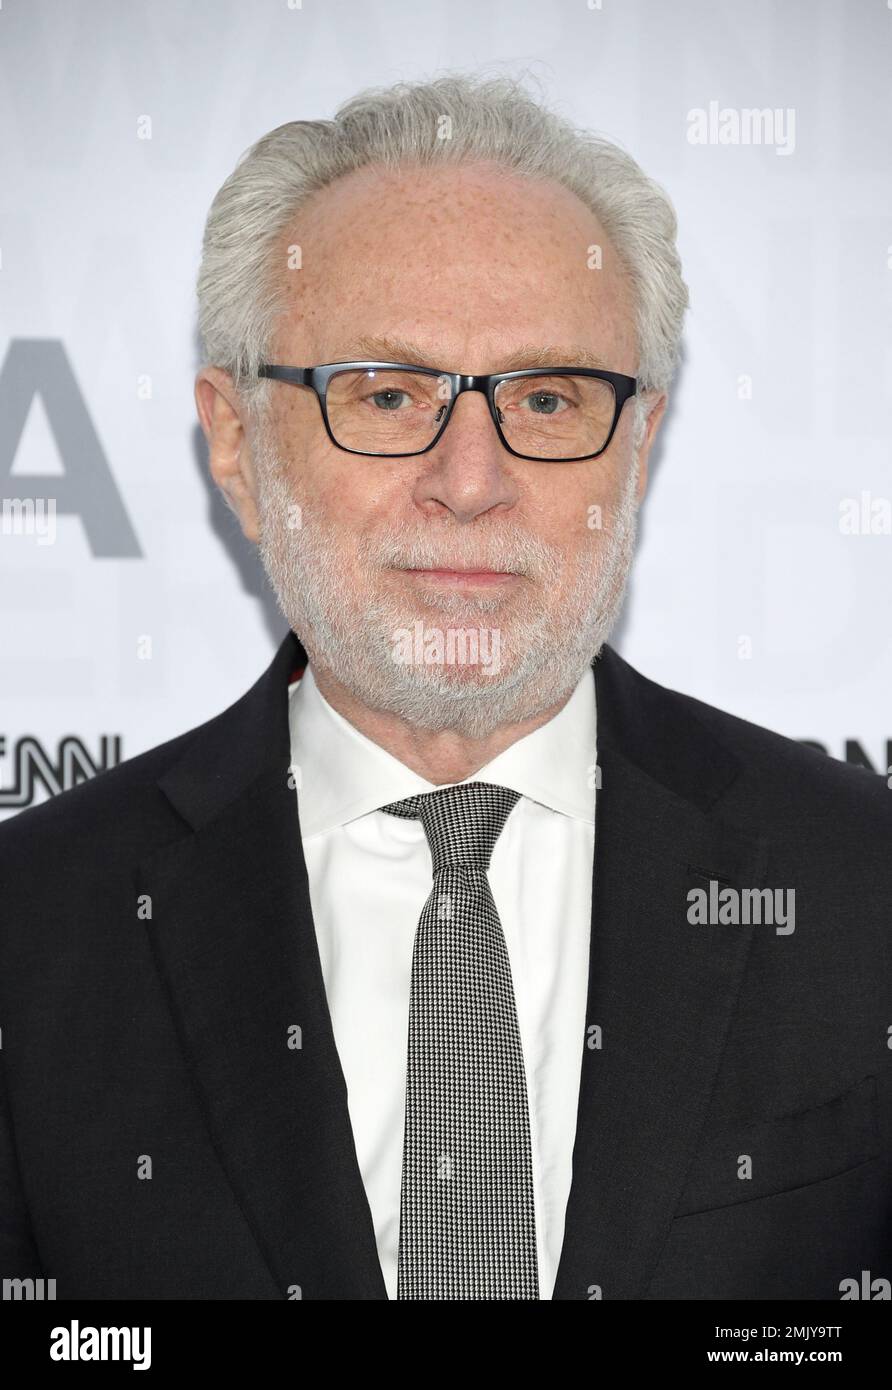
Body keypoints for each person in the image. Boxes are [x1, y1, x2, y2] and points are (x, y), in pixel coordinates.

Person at [1, 73, 889, 1302]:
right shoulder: (36, 924)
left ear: (639, 449)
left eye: (545, 397)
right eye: (386, 393)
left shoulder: (860, 878)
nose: (469, 479)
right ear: (234, 443)